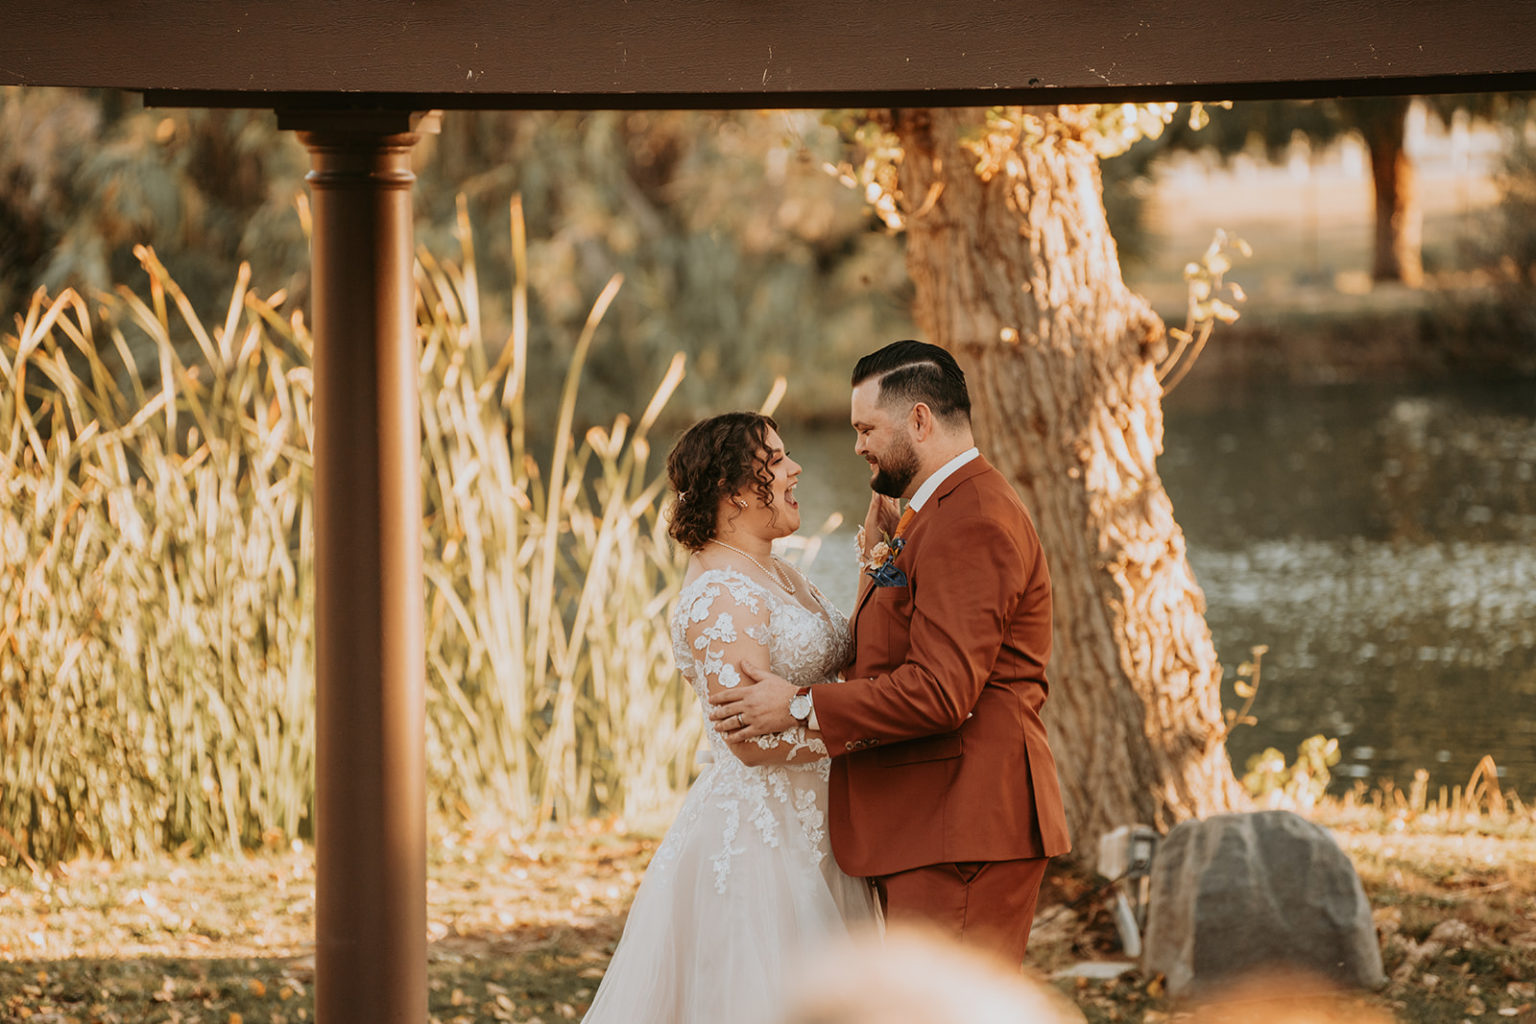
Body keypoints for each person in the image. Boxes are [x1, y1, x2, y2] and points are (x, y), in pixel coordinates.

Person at [709, 340, 1071, 963]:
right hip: (933, 825)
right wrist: (877, 557)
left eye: (866, 428)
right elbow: (889, 652)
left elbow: (939, 692)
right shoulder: (935, 513)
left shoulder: (971, 520)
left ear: (920, 420)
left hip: (963, 830)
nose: (857, 446)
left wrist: (797, 706)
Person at [580, 411, 880, 1024]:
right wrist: (864, 736)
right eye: (777, 461)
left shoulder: (775, 570)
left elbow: (835, 657)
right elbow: (750, 742)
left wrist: (875, 558)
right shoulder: (721, 593)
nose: (796, 469)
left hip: (820, 822)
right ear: (737, 491)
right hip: (764, 840)